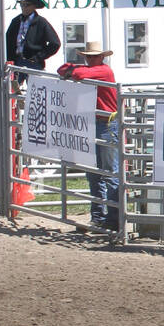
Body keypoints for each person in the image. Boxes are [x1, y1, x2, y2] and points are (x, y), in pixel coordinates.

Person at [58, 41, 119, 232]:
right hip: (94, 122)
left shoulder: (104, 71)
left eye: (94, 56)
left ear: (102, 57)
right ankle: (99, 216)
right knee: (94, 172)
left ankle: (113, 217)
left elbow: (75, 73)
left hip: (106, 122)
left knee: (110, 172)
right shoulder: (96, 69)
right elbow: (63, 69)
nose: (90, 59)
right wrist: (72, 70)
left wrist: (72, 72)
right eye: (88, 56)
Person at [5, 0, 60, 83]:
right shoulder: (15, 21)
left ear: (34, 6)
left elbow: (55, 43)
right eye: (22, 5)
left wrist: (38, 57)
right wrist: (10, 60)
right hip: (17, 62)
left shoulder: (41, 22)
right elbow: (7, 42)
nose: (24, 7)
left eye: (27, 5)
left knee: (35, 93)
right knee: (12, 91)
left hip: (34, 63)